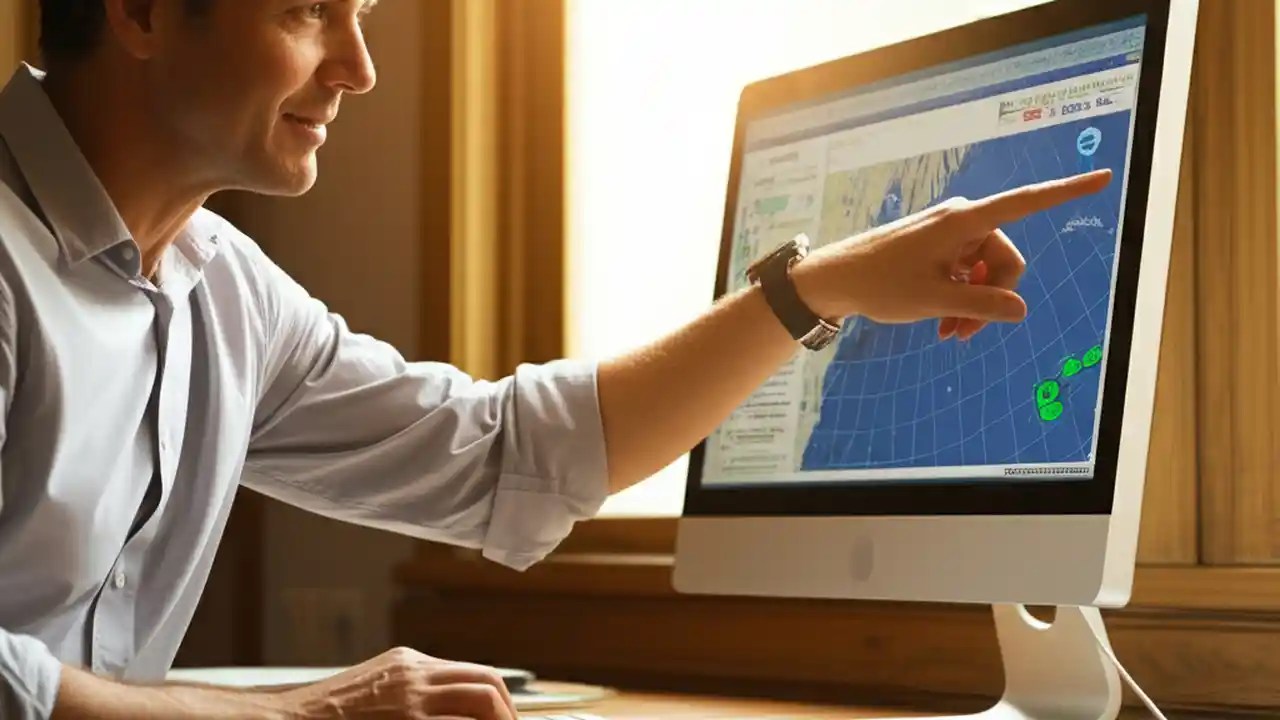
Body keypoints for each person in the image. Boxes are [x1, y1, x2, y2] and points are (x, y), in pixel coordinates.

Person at [0, 1, 1110, 718]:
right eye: (307, 12)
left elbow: (504, 454)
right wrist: (300, 711)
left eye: (362, 13)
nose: (359, 68)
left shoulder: (224, 292)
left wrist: (814, 287)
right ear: (139, 10)